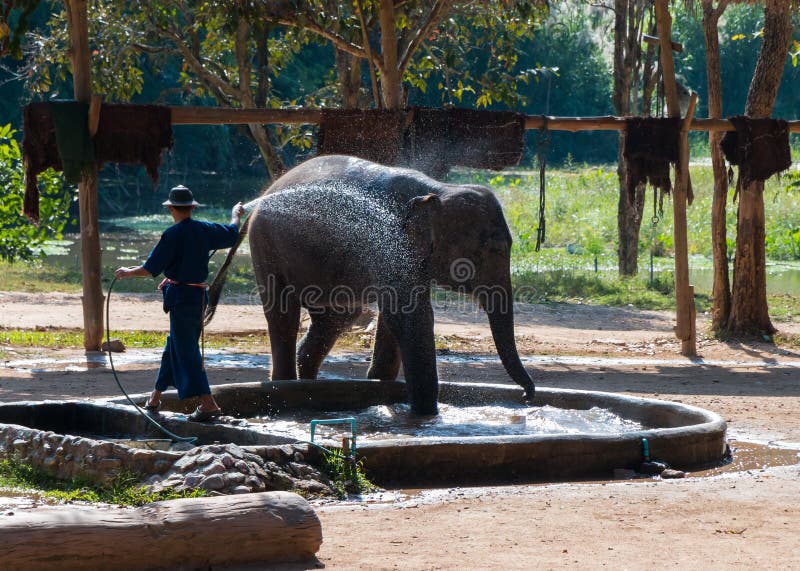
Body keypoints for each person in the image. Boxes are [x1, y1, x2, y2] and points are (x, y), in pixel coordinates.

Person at [115, 185, 245, 422]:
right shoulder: (205, 229)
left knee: (186, 350)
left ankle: (208, 403)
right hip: (197, 298)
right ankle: (155, 398)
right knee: (175, 345)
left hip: (181, 299)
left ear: (171, 208)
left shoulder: (171, 235)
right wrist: (235, 213)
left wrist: (126, 272)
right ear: (192, 207)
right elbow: (232, 233)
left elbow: (149, 269)